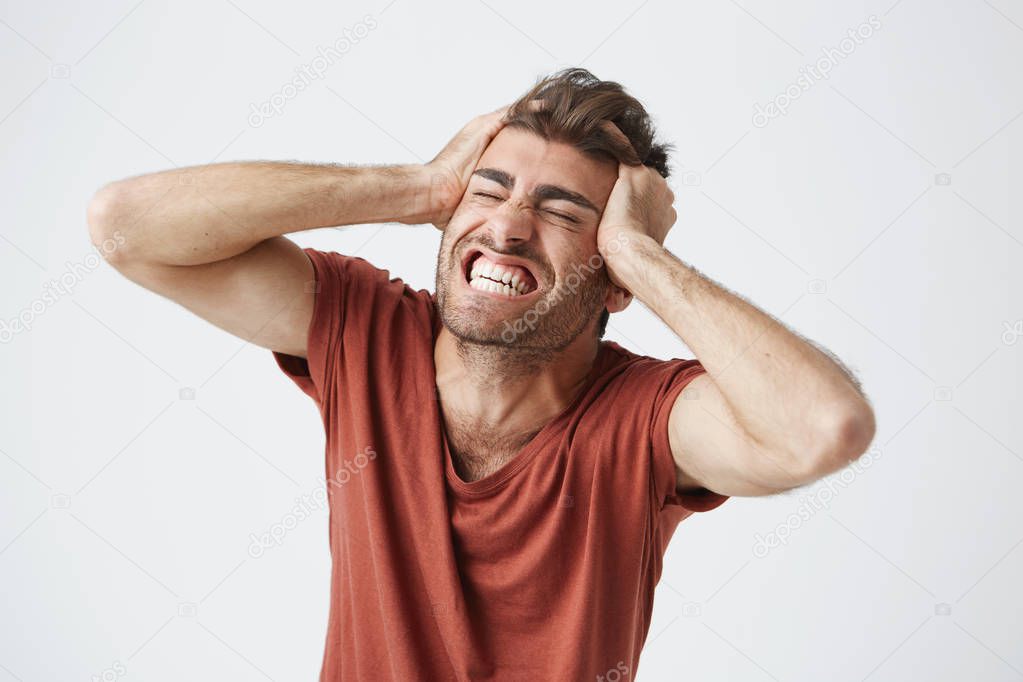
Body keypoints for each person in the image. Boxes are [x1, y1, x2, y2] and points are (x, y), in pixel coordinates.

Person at [87, 67, 875, 681]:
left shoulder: (645, 419)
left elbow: (823, 428)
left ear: (611, 278)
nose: (506, 226)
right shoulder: (367, 331)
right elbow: (125, 227)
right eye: (488, 190)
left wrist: (638, 254)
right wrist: (421, 186)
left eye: (562, 212)